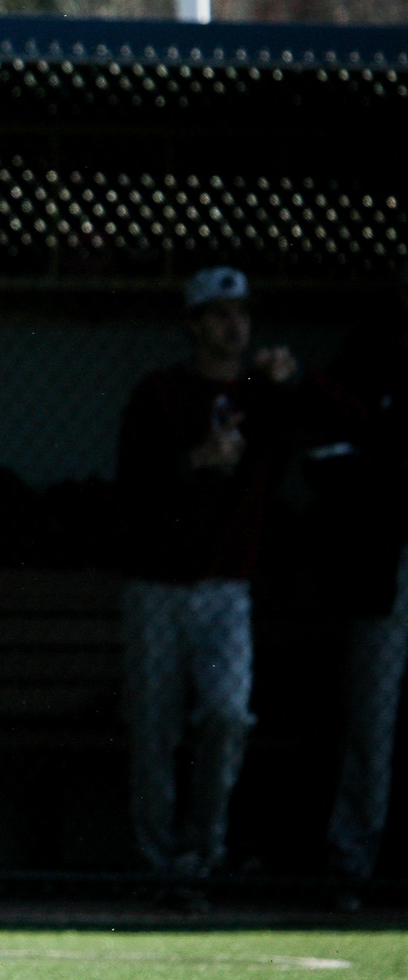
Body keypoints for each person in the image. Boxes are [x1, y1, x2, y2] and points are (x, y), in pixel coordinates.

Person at [116, 265, 302, 899]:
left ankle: (205, 853)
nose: (235, 326)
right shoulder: (160, 392)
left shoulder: (263, 393)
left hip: (228, 587)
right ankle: (157, 863)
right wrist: (194, 461)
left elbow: (313, 439)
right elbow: (131, 487)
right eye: (220, 314)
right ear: (194, 324)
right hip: (157, 584)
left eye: (242, 313)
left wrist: (285, 386)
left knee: (226, 715)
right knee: (154, 727)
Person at [305, 260, 408, 908]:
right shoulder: (367, 357)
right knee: (371, 720)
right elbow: (329, 461)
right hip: (384, 562)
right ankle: (352, 863)